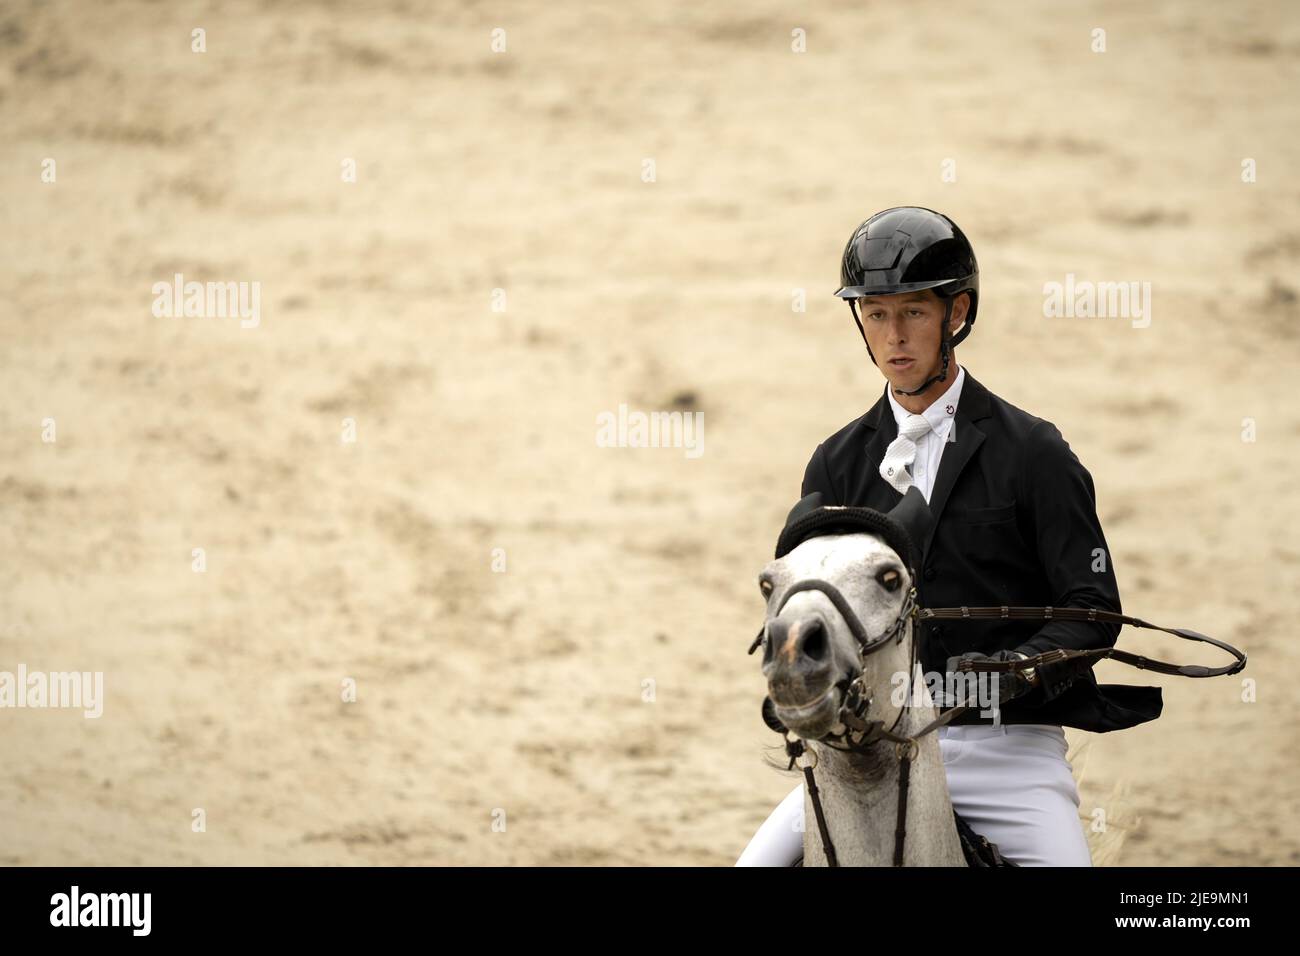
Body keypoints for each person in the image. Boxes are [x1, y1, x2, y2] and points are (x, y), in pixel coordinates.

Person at [736, 206, 1161, 867]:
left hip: (1004, 756)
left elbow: (1092, 610)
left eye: (914, 313)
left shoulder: (1034, 453)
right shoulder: (835, 464)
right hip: (867, 752)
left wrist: (1014, 670)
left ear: (956, 314)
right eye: (876, 315)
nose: (894, 336)